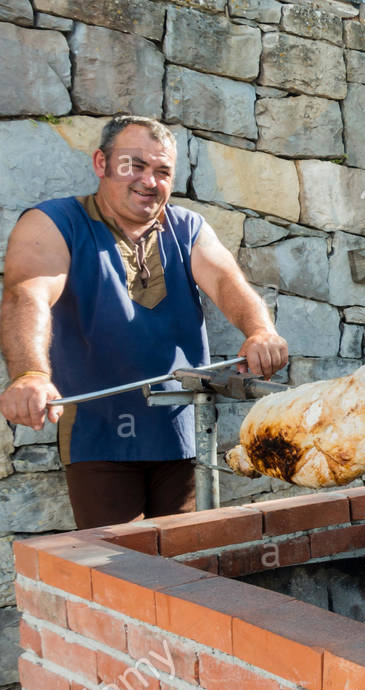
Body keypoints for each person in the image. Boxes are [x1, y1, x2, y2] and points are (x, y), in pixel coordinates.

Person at [0, 114, 288, 528]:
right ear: (102, 164)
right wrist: (29, 373)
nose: (149, 181)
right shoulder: (54, 222)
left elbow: (227, 281)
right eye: (134, 165)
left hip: (182, 431)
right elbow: (27, 294)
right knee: (123, 569)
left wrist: (260, 331)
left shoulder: (186, 227)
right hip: (97, 438)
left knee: (192, 562)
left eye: (162, 171)